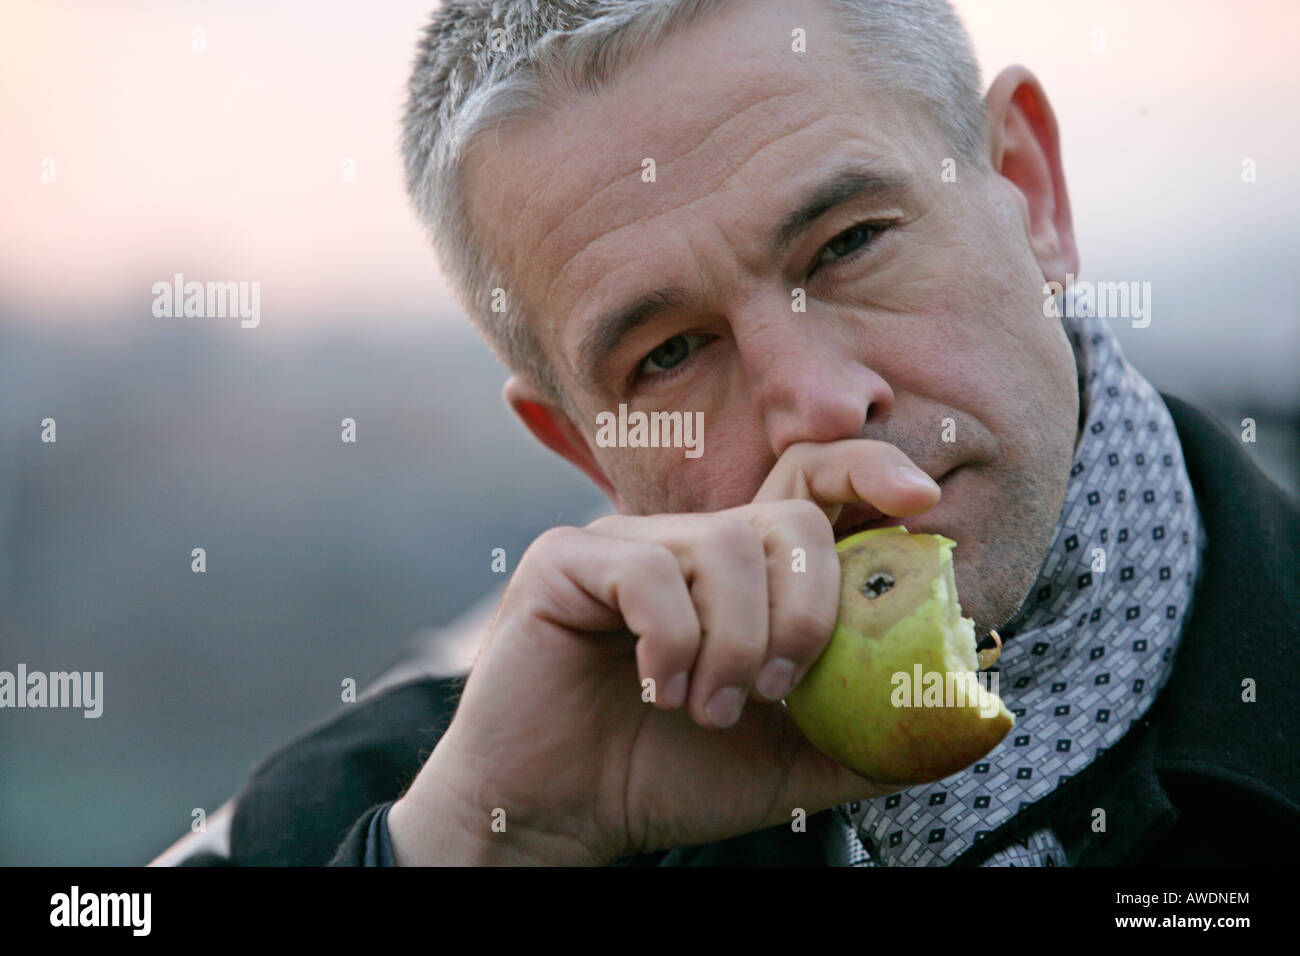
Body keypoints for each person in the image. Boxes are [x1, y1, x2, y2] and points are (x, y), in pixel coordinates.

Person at [164, 0, 1300, 867]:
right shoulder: (386, 811)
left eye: (849, 244)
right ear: (581, 449)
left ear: (1027, 189)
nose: (811, 402)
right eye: (666, 354)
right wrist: (493, 841)